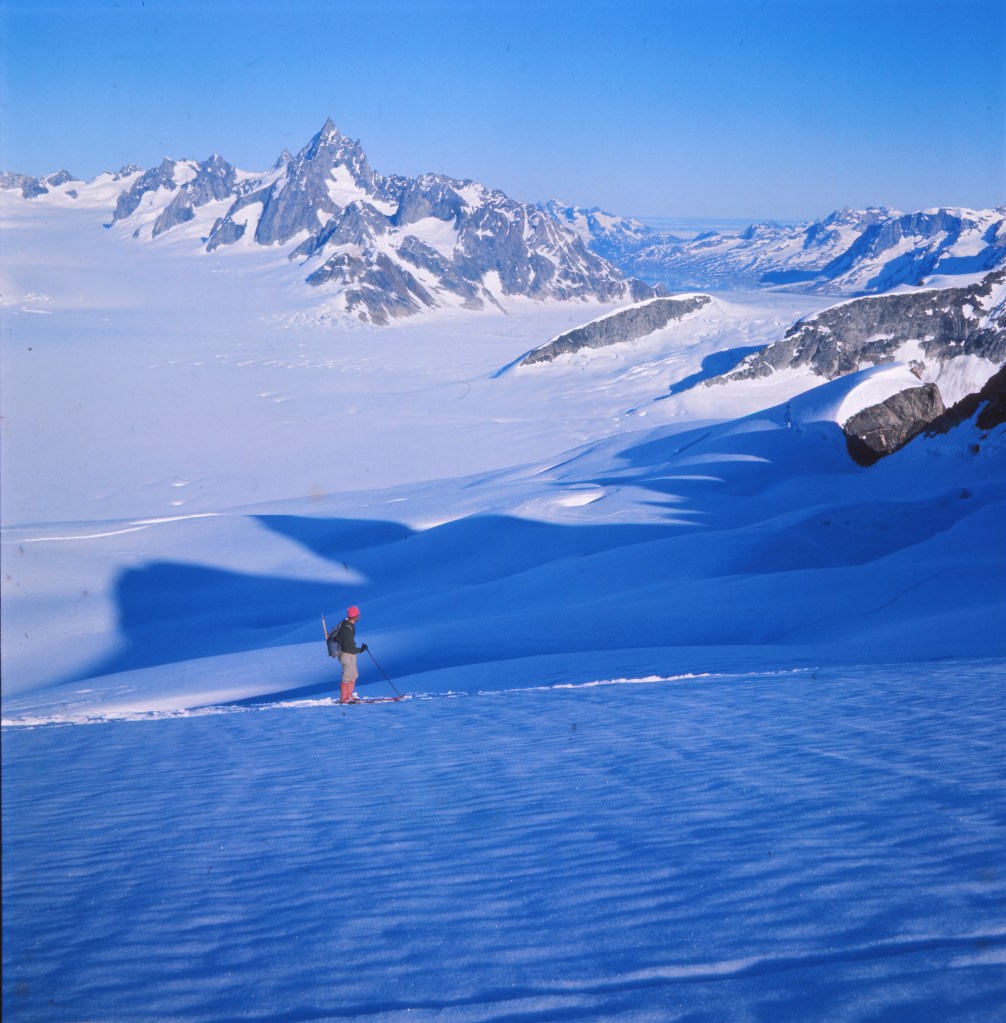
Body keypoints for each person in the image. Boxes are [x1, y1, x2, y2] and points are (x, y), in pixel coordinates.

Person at [336, 605, 368, 704]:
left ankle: (349, 695)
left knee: (354, 675)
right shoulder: (346, 629)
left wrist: (359, 650)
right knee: (346, 676)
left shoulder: (349, 625)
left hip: (350, 654)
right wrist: (360, 650)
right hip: (347, 655)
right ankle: (344, 698)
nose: (359, 616)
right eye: (358, 614)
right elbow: (348, 647)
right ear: (355, 615)